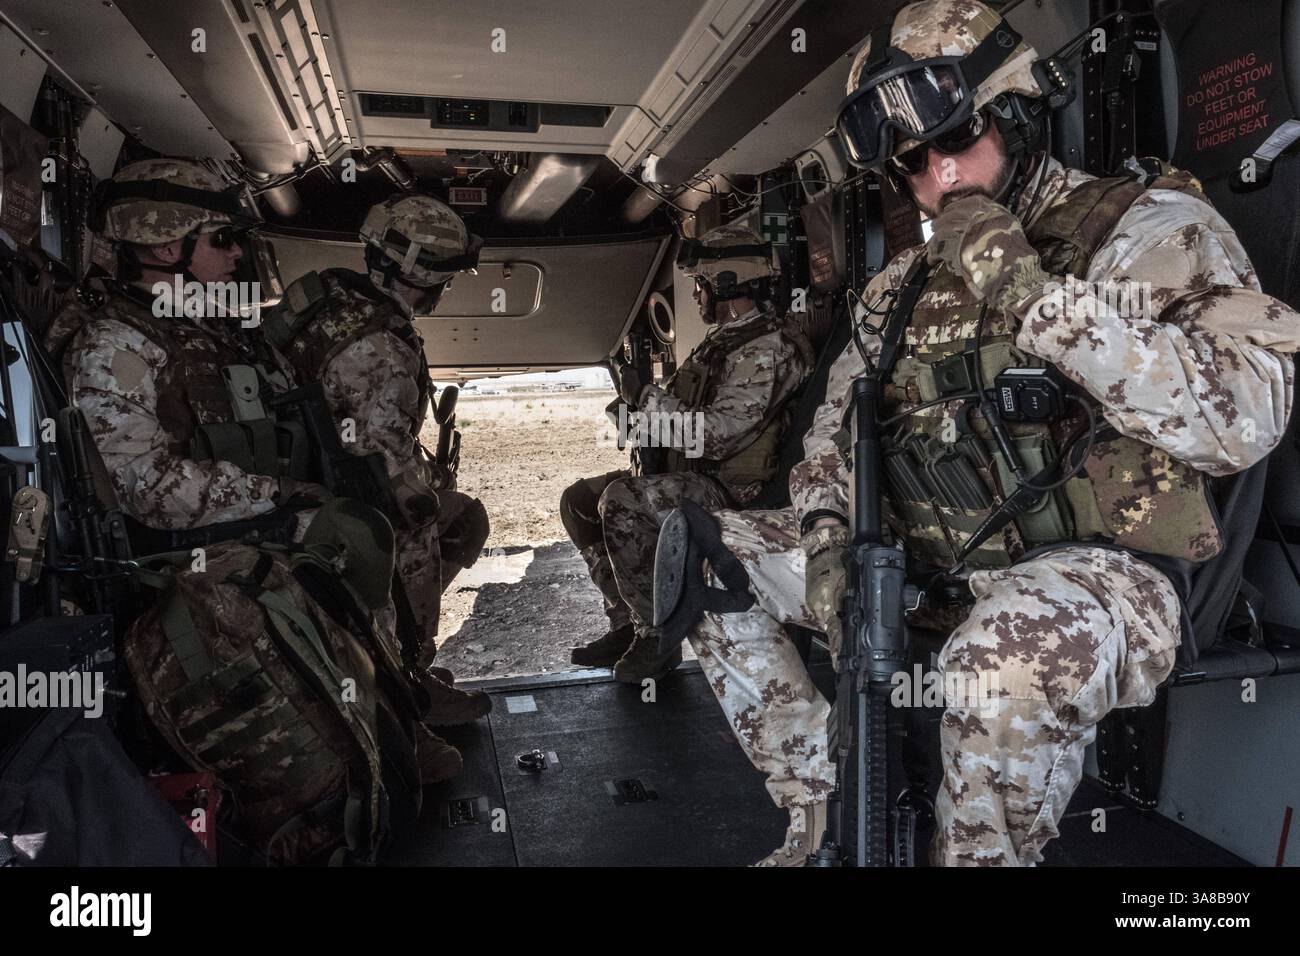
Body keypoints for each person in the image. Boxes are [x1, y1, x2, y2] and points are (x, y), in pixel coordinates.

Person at [678, 0, 1300, 866]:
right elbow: (832, 438)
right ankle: (825, 814)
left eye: (955, 140)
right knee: (705, 554)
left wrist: (1033, 299)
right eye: (911, 166)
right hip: (931, 559)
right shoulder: (898, 290)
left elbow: (1246, 420)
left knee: (999, 657)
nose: (937, 177)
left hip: (1102, 573)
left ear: (1014, 114)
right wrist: (827, 545)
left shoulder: (1145, 230)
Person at [45, 158, 465, 780]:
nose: (239, 255)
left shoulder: (201, 327)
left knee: (355, 526)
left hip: (237, 520)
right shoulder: (117, 346)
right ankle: (381, 725)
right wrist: (281, 495)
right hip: (186, 545)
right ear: (166, 244)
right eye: (225, 239)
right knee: (355, 535)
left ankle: (393, 704)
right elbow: (144, 486)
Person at [261, 193, 491, 723]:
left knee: (458, 513)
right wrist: (423, 492)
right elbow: (383, 467)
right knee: (420, 522)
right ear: (424, 272)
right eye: (446, 275)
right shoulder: (381, 346)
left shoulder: (332, 300)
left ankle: (392, 660)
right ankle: (404, 681)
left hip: (299, 480)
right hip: (331, 498)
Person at [560, 217, 813, 682]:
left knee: (621, 501)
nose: (696, 296)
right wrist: (631, 415)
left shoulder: (767, 349)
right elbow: (684, 413)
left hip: (737, 492)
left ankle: (657, 636)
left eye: (701, 285)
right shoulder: (722, 345)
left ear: (727, 282)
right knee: (579, 501)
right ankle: (627, 618)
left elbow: (721, 434)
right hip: (698, 475)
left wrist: (647, 399)